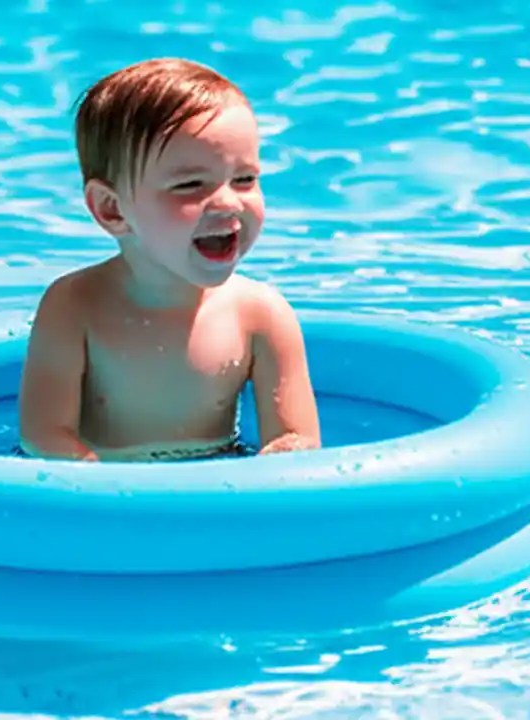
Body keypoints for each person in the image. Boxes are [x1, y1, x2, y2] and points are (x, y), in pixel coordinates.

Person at [17, 58, 320, 462]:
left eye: (245, 179)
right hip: (105, 494)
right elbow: (44, 436)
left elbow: (298, 439)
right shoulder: (75, 306)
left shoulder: (262, 315)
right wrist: (114, 495)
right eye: (190, 185)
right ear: (112, 210)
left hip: (216, 482)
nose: (229, 202)